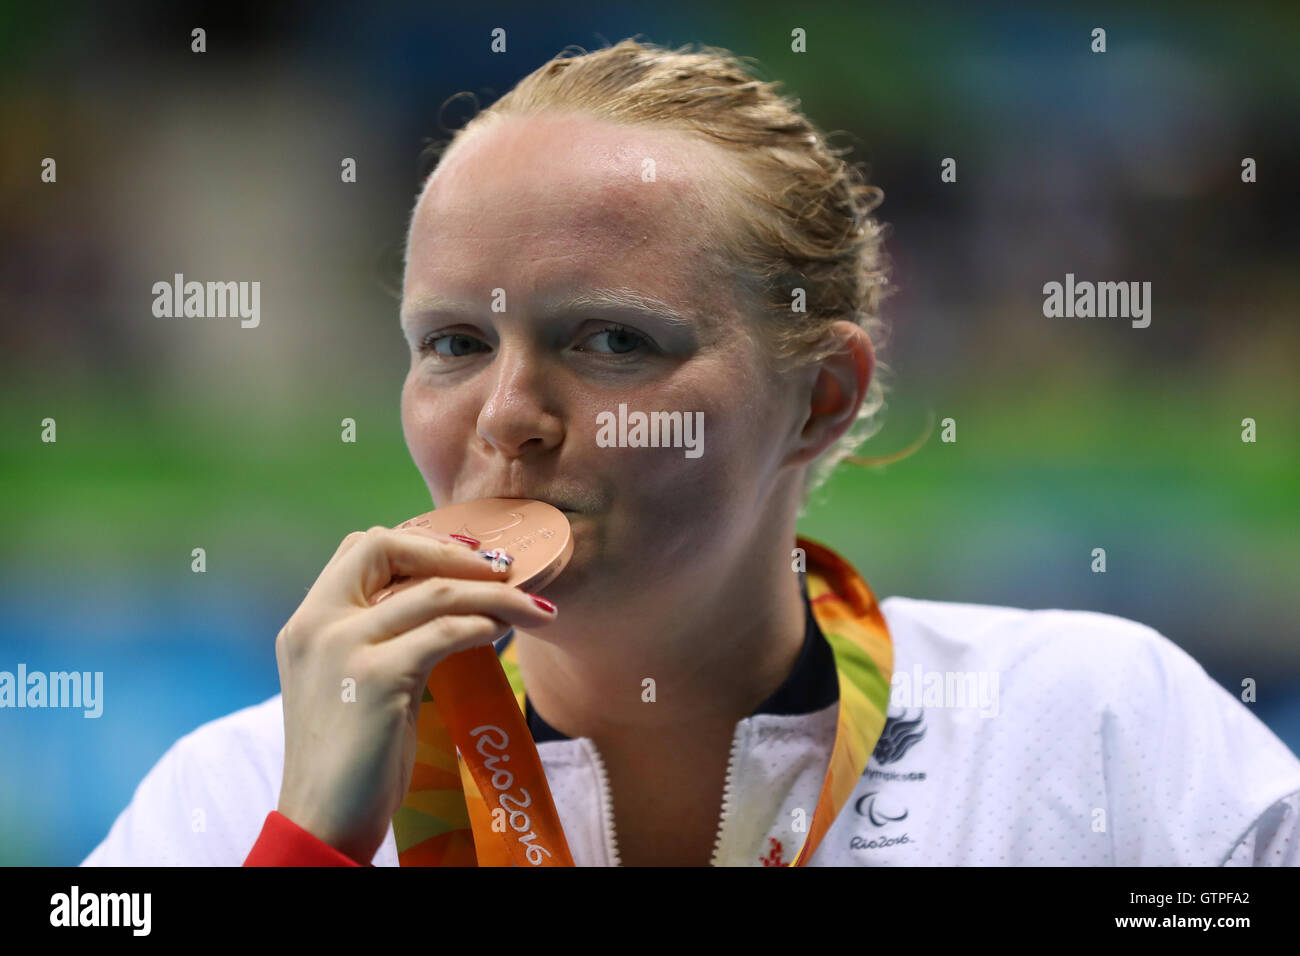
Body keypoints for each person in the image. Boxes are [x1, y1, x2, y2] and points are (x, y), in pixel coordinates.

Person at [83, 39, 1300, 867]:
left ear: (819, 396)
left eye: (610, 338)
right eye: (453, 340)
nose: (505, 413)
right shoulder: (231, 793)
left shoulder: (1096, 734)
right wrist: (310, 848)